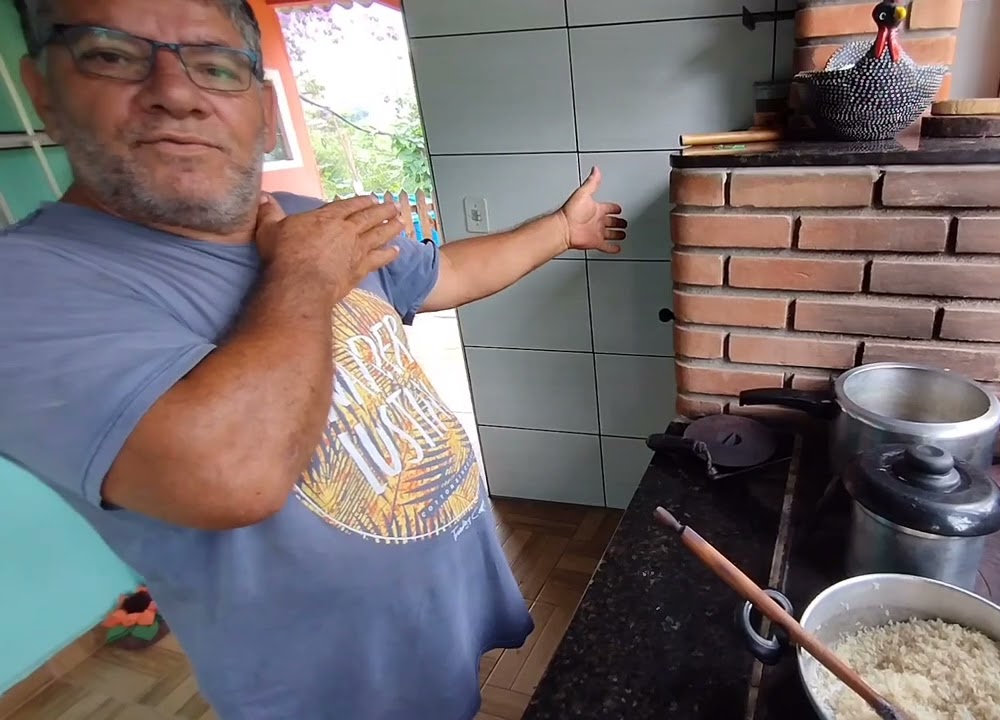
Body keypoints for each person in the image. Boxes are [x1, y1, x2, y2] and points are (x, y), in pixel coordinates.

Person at [0, 0, 627, 718]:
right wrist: (304, 276)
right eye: (110, 54)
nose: (175, 92)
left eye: (213, 66)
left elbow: (443, 275)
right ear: (43, 88)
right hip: (332, 693)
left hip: (433, 624)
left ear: (265, 113)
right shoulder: (25, 287)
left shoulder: (303, 215)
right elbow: (235, 476)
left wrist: (560, 229)